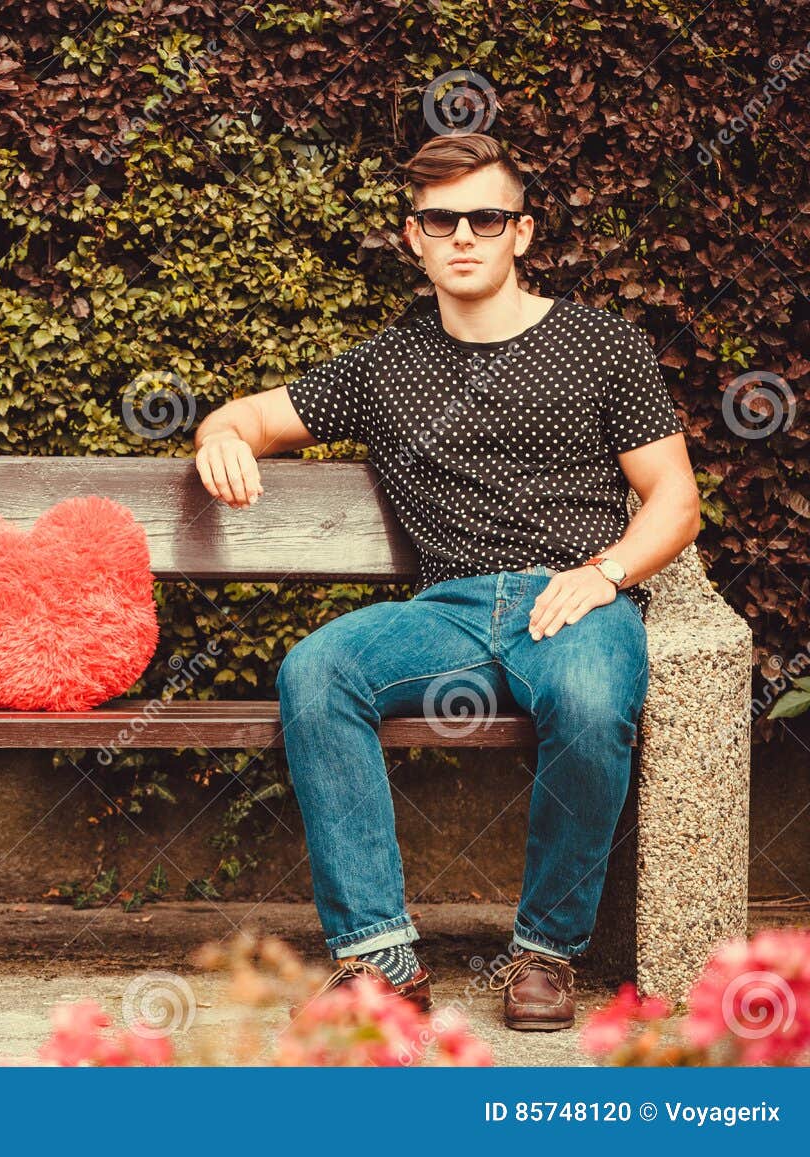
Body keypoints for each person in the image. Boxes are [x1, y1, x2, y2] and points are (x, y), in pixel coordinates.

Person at [192, 132, 699, 1031]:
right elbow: (251, 416)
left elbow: (674, 498)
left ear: (523, 232)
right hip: (449, 610)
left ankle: (544, 952)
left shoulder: (603, 345)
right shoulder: (384, 366)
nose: (463, 235)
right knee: (319, 669)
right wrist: (219, 437)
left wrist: (606, 573)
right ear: (414, 237)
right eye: (441, 219)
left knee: (589, 699)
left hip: (570, 595)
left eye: (485, 216)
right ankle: (380, 956)